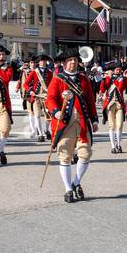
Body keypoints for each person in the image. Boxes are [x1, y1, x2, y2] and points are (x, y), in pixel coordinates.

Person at [46, 49, 98, 202]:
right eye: (69, 60)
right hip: (64, 123)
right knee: (65, 156)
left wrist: (94, 119)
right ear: (63, 63)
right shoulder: (57, 79)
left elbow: (90, 101)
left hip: (82, 122)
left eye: (75, 60)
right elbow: (50, 99)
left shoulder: (84, 79)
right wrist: (55, 112)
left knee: (85, 154)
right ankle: (68, 188)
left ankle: (76, 182)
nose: (73, 62)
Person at [99, 62, 127, 154]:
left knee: (119, 125)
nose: (118, 70)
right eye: (117, 69)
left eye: (119, 69)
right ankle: (113, 146)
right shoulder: (108, 78)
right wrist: (105, 78)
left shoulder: (123, 79)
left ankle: (118, 144)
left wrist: (118, 79)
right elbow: (103, 89)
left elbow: (120, 89)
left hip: (119, 104)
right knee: (112, 126)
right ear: (113, 70)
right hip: (110, 104)